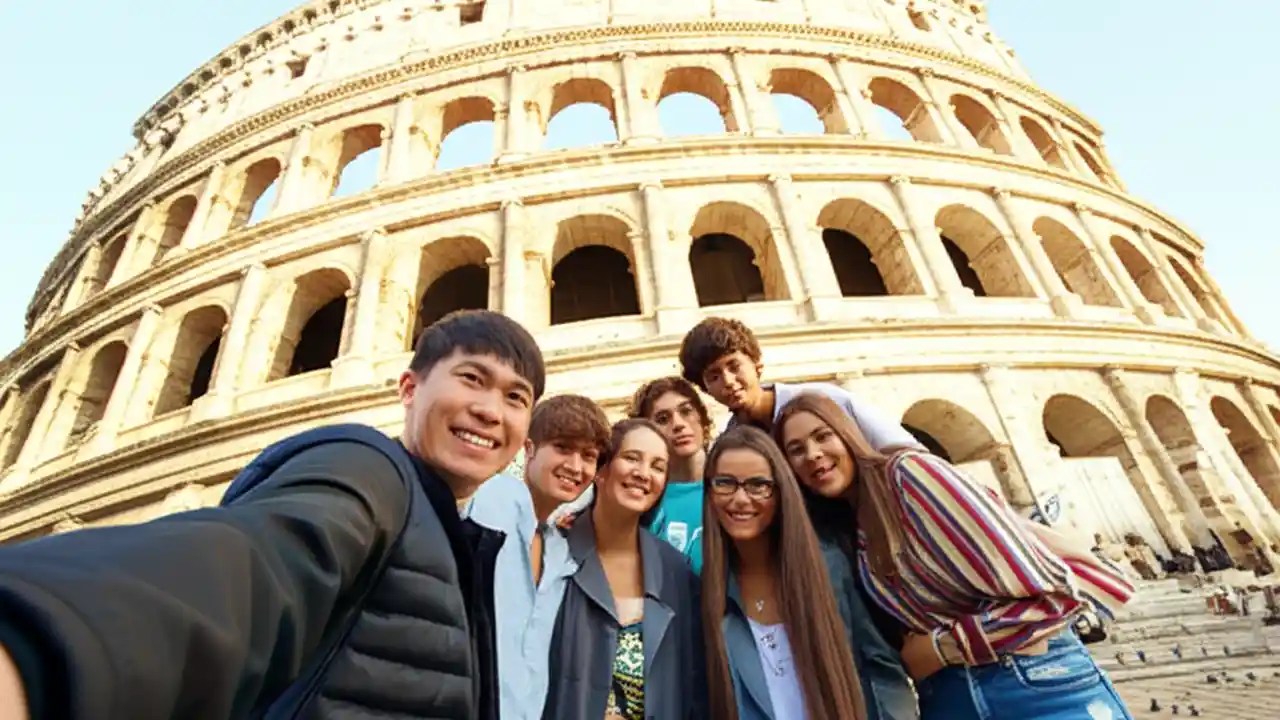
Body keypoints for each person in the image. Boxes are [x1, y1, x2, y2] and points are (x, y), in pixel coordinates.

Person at [0, 309, 545, 720]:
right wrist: (38, 644)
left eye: (516, 398)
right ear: (409, 388)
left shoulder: (456, 538)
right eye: (471, 379)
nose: (490, 410)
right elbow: (246, 568)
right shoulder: (367, 471)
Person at [776, 392, 1137, 720]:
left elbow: (1055, 595)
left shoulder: (910, 475)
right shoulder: (855, 525)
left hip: (1031, 682)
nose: (812, 454)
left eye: (822, 436)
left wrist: (943, 647)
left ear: (848, 434)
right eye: (796, 450)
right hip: (950, 696)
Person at [542, 419, 705, 720]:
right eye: (632, 458)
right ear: (601, 469)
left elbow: (692, 684)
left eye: (658, 466)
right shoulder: (553, 550)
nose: (644, 474)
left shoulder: (675, 571)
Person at [702, 425, 866, 720]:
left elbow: (879, 670)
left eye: (758, 485)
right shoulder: (707, 592)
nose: (740, 499)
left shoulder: (830, 565)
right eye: (725, 482)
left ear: (780, 492)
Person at [465, 394, 610, 720]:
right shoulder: (491, 500)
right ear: (528, 449)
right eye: (562, 448)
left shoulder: (560, 550)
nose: (576, 467)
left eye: (589, 456)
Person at [678, 317, 918, 447]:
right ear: (707, 390)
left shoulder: (825, 399)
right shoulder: (734, 441)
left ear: (757, 364)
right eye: (714, 376)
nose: (728, 381)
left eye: (734, 366)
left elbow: (900, 449)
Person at [628, 376, 714, 573]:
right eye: (662, 419)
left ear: (702, 419)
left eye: (686, 411)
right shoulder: (642, 501)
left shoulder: (733, 485)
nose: (678, 424)